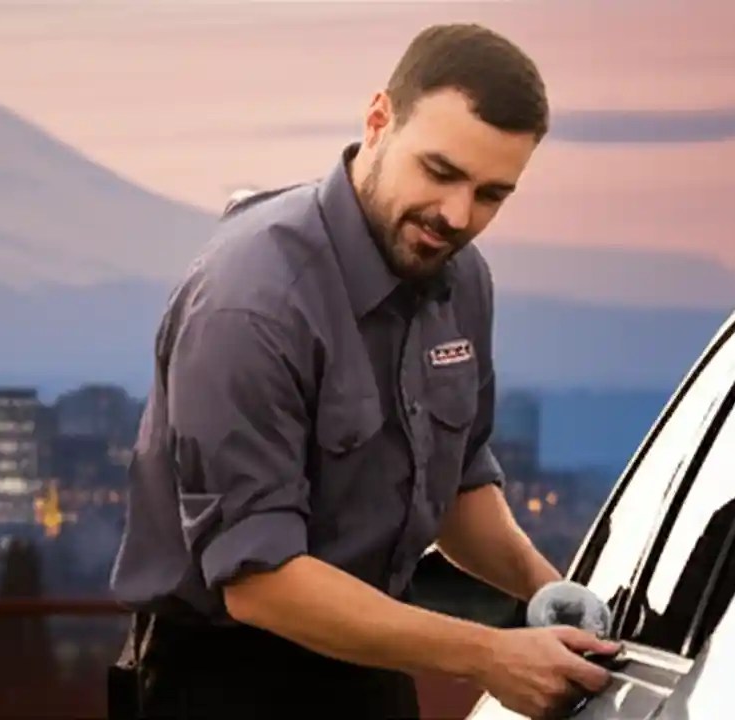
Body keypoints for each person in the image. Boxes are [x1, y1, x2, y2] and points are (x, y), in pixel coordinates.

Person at [109, 22, 621, 720]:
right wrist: (487, 654)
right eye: (440, 172)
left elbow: (460, 487)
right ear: (378, 120)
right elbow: (258, 583)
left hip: (374, 661)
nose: (457, 215)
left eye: (491, 194)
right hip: (221, 682)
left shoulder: (463, 279)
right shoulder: (251, 302)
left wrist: (545, 592)